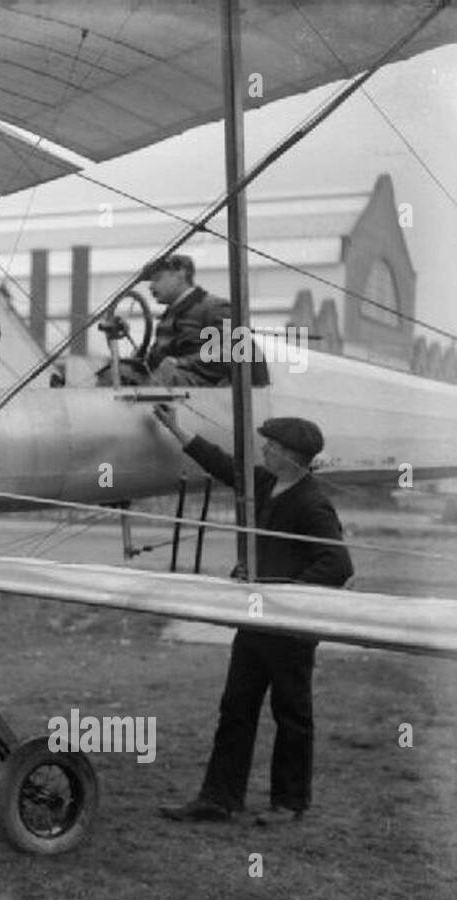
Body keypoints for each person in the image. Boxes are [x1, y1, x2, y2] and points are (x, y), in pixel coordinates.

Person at [153, 405, 353, 824]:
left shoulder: (312, 504)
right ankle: (219, 799)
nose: (263, 449)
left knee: (291, 715)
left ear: (292, 457)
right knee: (236, 708)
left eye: (271, 446)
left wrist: (278, 587)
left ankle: (289, 804)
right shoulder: (265, 484)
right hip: (256, 622)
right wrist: (177, 429)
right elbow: (224, 465)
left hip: (290, 629)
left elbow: (337, 565)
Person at [105, 254, 231, 387]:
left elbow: (234, 351)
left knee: (167, 374)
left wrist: (180, 363)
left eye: (157, 279)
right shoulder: (169, 315)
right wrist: (138, 358)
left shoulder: (215, 307)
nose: (151, 286)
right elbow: (156, 361)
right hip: (167, 381)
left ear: (180, 274)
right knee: (113, 372)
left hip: (203, 387)